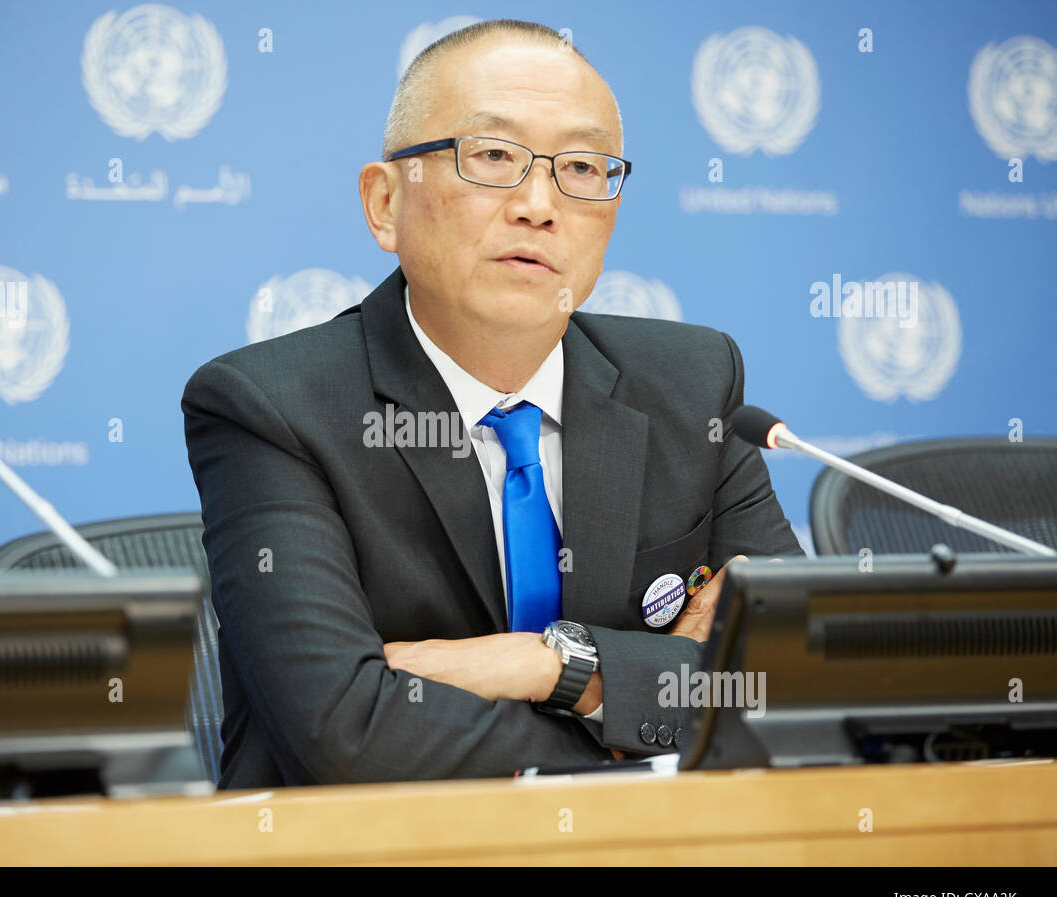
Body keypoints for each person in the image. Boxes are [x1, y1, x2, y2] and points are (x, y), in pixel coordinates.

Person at [182, 19, 802, 789]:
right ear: (384, 204)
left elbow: (789, 685)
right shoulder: (271, 409)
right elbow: (345, 731)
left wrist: (548, 663)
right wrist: (641, 702)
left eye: (580, 166)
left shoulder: (693, 384)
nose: (539, 205)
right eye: (494, 157)